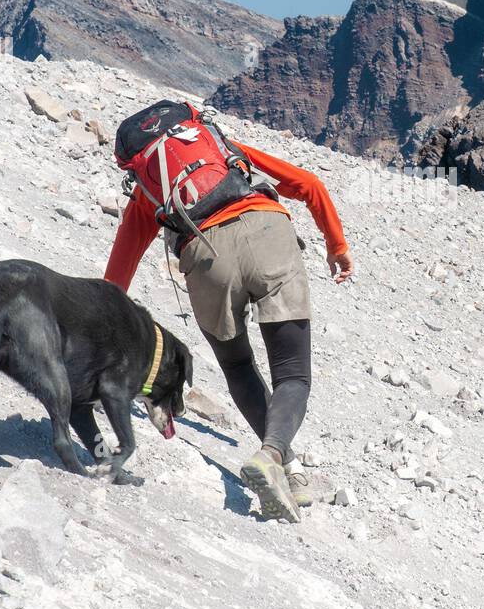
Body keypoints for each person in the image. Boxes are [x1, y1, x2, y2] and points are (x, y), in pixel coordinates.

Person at [104, 130, 351, 523]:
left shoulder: (153, 187)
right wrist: (336, 246)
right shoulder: (220, 148)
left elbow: (115, 282)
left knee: (238, 367)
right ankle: (273, 454)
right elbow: (309, 184)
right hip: (268, 233)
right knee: (292, 375)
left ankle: (289, 470)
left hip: (206, 256)